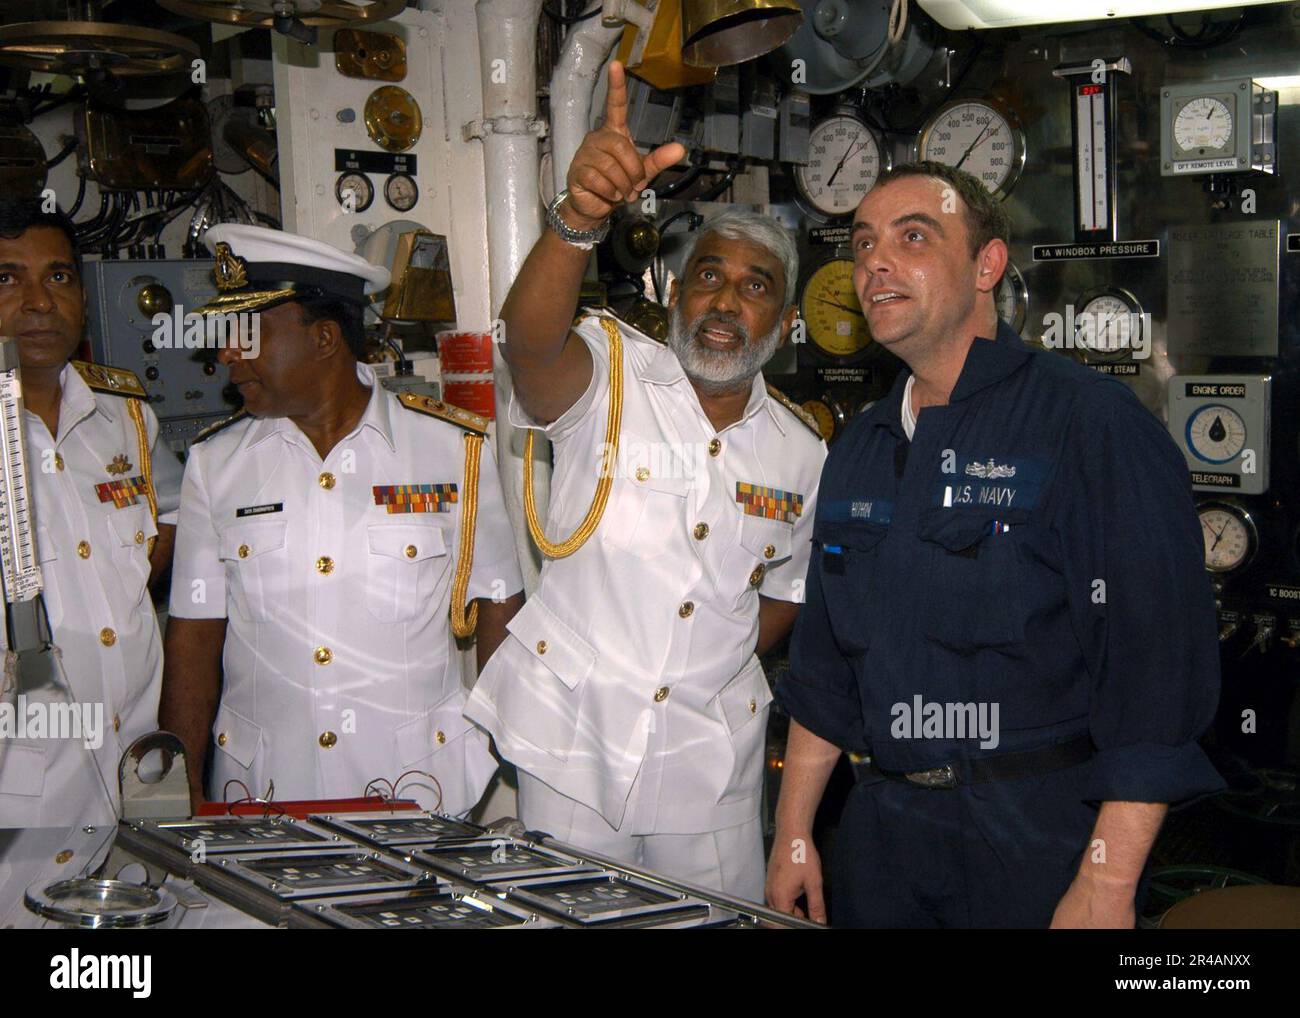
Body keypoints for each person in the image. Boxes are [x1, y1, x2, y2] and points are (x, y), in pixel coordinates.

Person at [766, 161, 1224, 928]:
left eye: (914, 237)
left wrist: (1107, 881)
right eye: (864, 242)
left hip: (1036, 839)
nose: (876, 261)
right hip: (883, 836)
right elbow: (825, 669)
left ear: (988, 264)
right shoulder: (860, 448)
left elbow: (1155, 677)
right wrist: (793, 833)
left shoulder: (1088, 424)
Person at [463, 61, 825, 900]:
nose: (726, 302)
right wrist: (578, 219)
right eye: (708, 276)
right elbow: (529, 347)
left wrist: (696, 657)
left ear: (787, 323)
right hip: (572, 747)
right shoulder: (608, 372)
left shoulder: (803, 454)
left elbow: (786, 593)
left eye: (755, 287)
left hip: (710, 763)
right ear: (672, 291)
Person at [160, 224, 523, 816]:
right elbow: (194, 635)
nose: (226, 352)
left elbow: (499, 605)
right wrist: (178, 780)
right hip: (263, 787)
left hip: (418, 784)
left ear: (325, 338)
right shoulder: (215, 465)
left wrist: (490, 740)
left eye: (245, 334)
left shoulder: (453, 452)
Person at [0, 200, 182, 827]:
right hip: (17, 784)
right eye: (6, 278)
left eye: (57, 277)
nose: (39, 302)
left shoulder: (126, 415)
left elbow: (170, 516)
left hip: (133, 764)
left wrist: (116, 593)